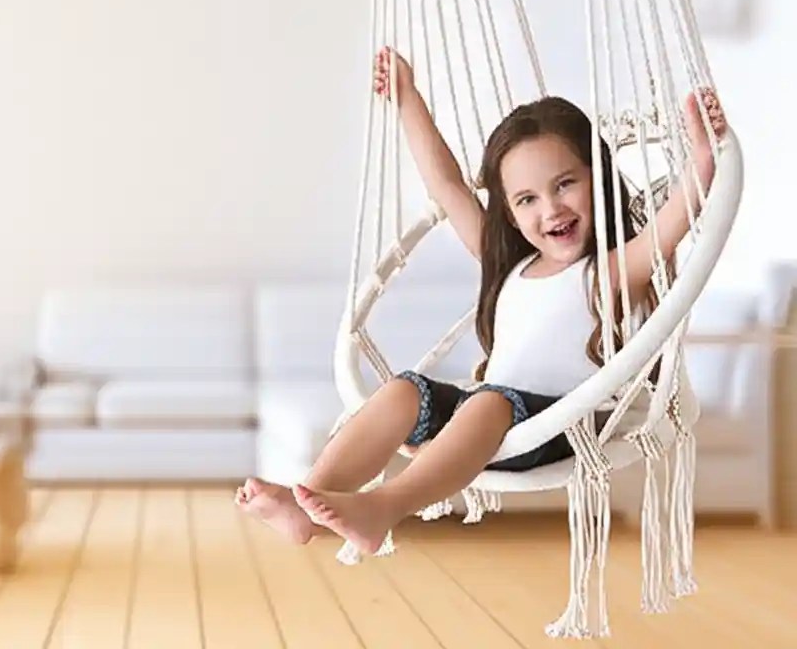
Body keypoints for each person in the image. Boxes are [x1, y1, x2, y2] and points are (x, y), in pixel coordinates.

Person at [235, 46, 728, 556]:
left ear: (597, 180)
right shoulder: (508, 267)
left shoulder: (608, 272)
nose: (552, 208)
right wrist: (407, 98)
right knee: (406, 391)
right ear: (510, 214)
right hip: (487, 424)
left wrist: (704, 160)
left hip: (561, 426)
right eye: (527, 199)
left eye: (565, 185)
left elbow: (673, 223)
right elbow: (447, 186)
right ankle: (309, 500)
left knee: (489, 401)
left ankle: (383, 509)